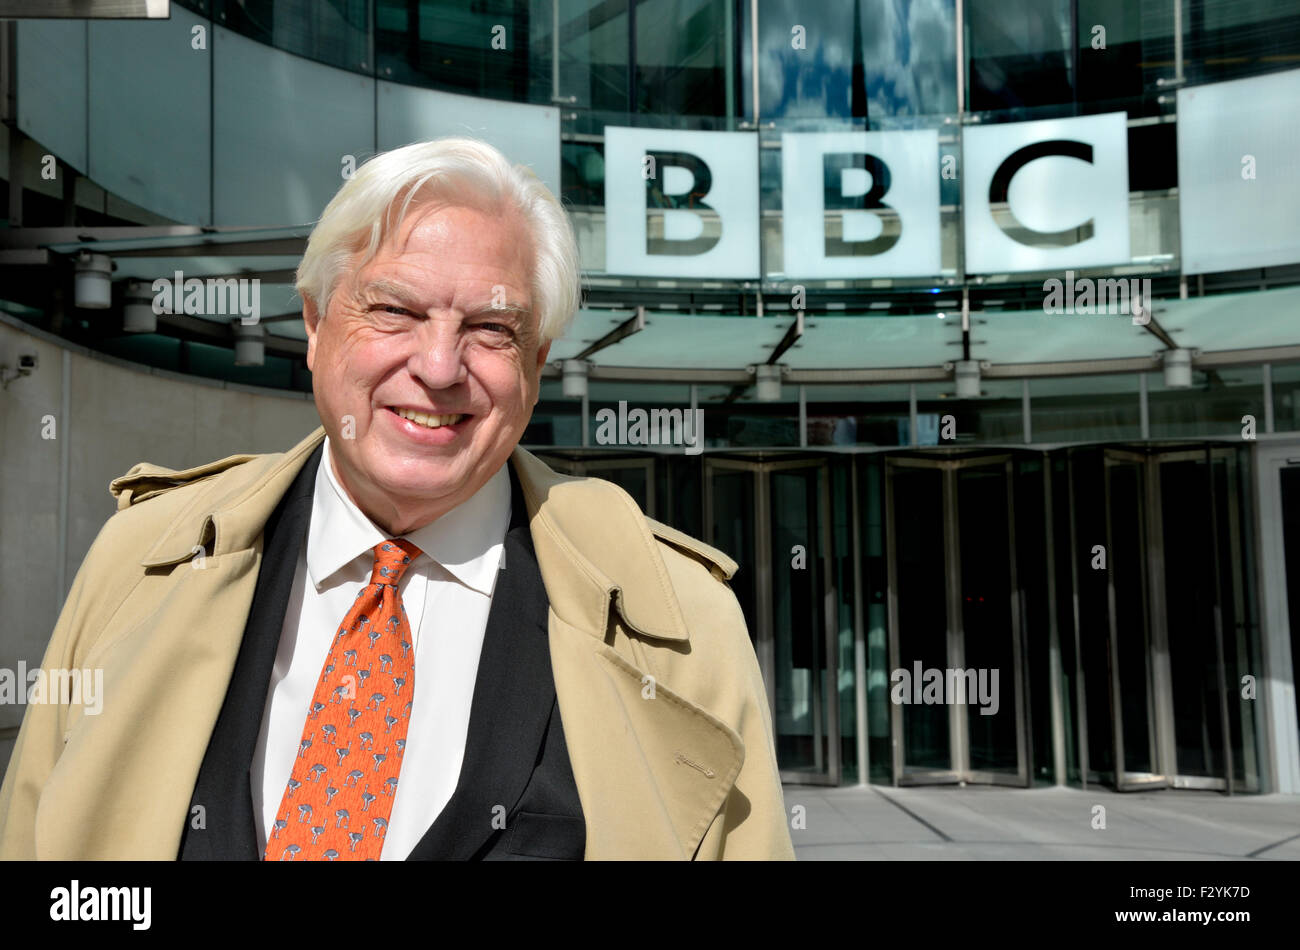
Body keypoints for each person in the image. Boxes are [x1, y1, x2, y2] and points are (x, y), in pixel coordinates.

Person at [0, 137, 794, 861]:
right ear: (314, 322)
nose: (440, 367)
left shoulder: (684, 629)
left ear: (538, 361)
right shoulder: (139, 560)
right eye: (395, 311)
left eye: (490, 327)